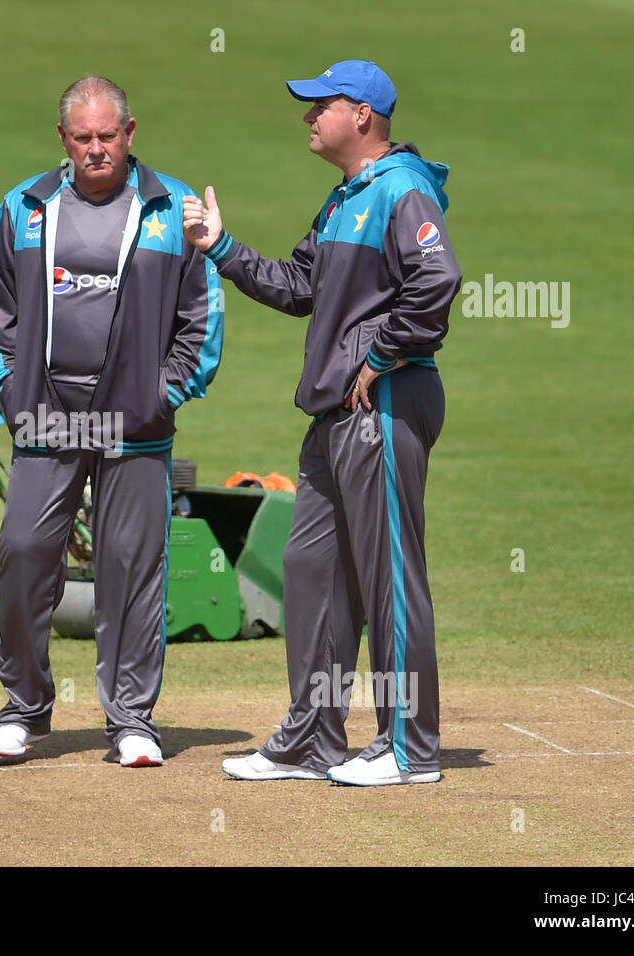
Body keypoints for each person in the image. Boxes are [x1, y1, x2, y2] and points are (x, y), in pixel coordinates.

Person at [183, 61, 460, 786]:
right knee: (312, 571)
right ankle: (313, 737)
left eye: (320, 106)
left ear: (362, 115)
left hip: (385, 403)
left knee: (389, 578)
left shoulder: (403, 189)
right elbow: (299, 286)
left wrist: (382, 354)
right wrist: (222, 248)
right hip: (337, 413)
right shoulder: (345, 199)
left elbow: (438, 279)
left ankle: (409, 748)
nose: (307, 117)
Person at [0, 76, 224, 767]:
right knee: (25, 553)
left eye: (107, 135)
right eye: (82, 137)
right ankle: (24, 707)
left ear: (130, 133)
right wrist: (10, 387)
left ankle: (132, 720)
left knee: (131, 568)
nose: (96, 149)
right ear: (62, 139)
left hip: (135, 422)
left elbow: (200, 320)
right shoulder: (22, 208)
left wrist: (163, 392)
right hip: (48, 419)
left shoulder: (174, 209)